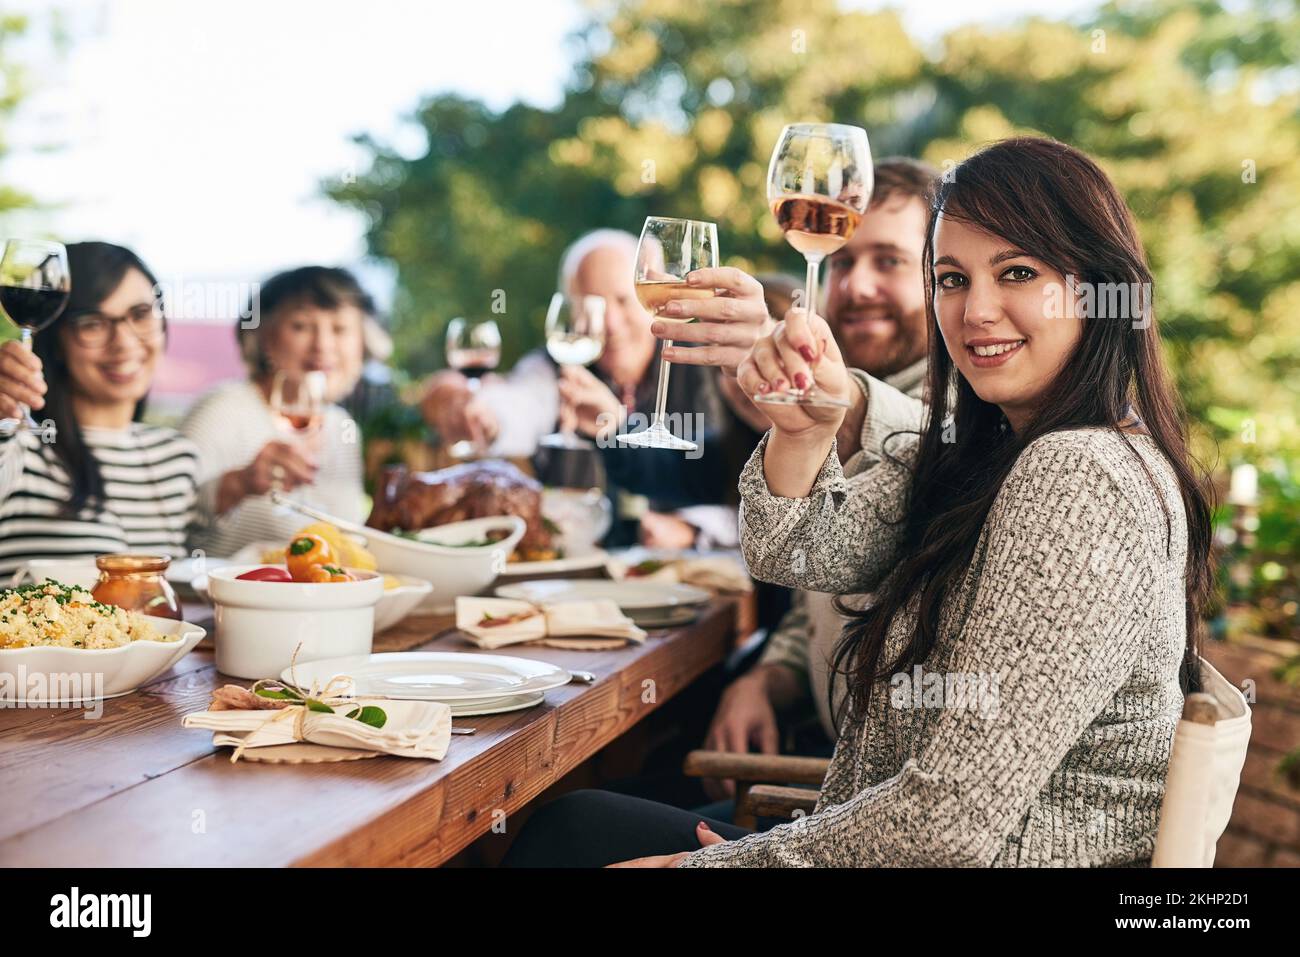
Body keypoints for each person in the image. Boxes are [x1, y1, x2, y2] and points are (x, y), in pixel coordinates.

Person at [502, 136, 1215, 867]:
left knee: (569, 836)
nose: (977, 311)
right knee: (576, 827)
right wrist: (803, 433)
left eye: (1019, 272)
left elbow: (950, 823)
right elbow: (796, 552)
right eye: (953, 278)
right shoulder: (995, 446)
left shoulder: (1080, 473)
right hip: (874, 839)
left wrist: (713, 865)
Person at [679, 159, 940, 811]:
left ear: (944, 278)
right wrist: (766, 678)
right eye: (844, 261)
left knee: (568, 827)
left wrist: (830, 395)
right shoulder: (835, 405)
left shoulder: (965, 411)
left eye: (889, 261)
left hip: (882, 810)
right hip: (828, 779)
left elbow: (929, 442)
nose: (856, 286)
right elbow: (810, 599)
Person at [420, 229, 768, 550]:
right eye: (593, 306)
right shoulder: (555, 368)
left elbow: (754, 484)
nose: (611, 324)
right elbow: (521, 404)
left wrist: (695, 527)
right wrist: (484, 413)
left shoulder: (712, 367)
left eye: (621, 299)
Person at [0, 241, 198, 576]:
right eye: (92, 323)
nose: (123, 342)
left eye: (140, 315)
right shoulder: (21, 446)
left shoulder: (177, 457)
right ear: (56, 341)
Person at [182, 266, 371, 557]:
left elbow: (348, 539)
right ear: (263, 338)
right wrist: (236, 484)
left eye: (340, 329)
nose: (323, 345)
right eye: (301, 326)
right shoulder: (223, 409)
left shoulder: (340, 426)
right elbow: (171, 521)